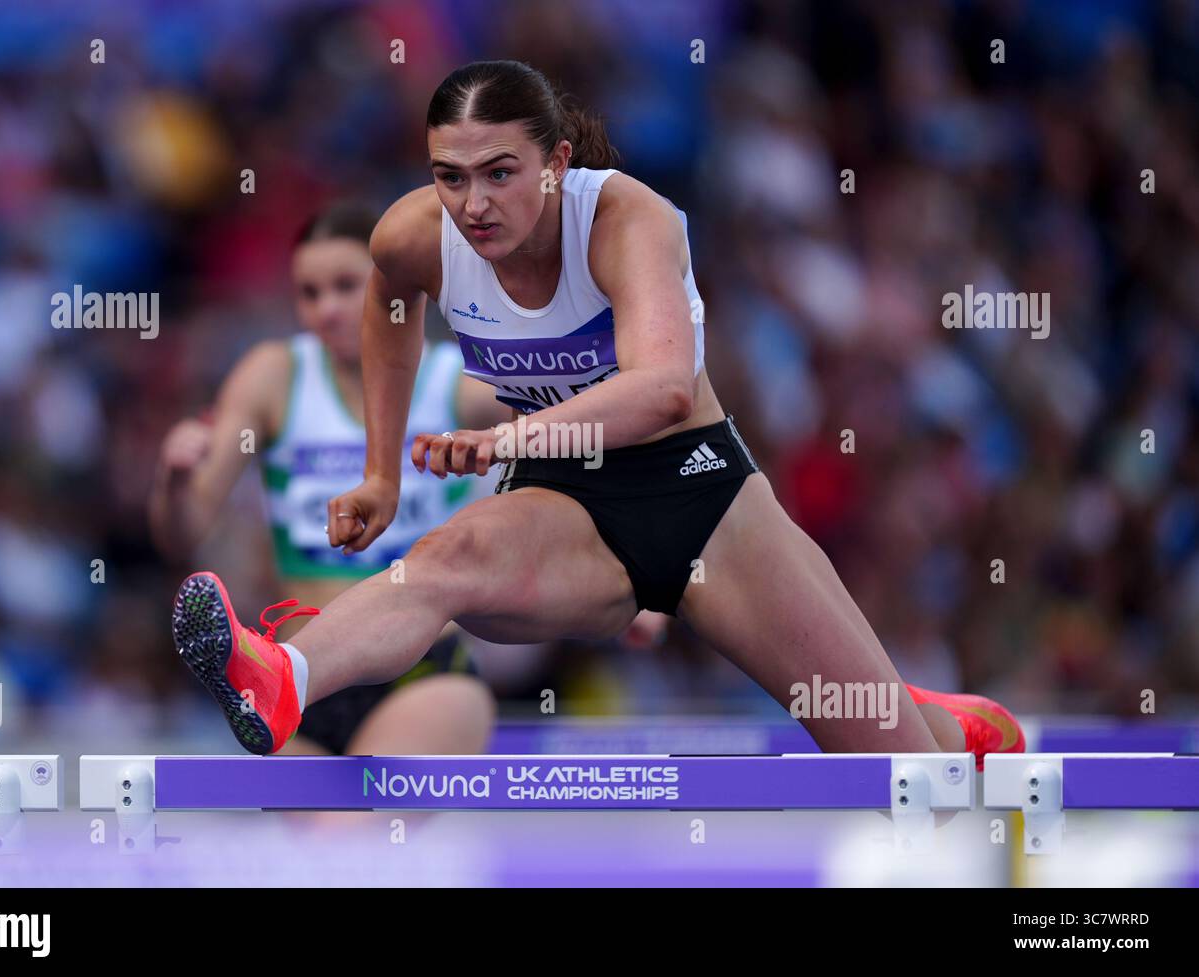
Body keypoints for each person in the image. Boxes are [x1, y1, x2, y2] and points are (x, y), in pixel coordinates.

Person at [170, 60, 1025, 769]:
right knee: (447, 558)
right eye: (451, 177)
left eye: (501, 173)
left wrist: (508, 436)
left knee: (899, 769)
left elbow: (661, 388)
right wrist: (382, 474)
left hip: (700, 499)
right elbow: (388, 308)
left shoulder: (625, 219)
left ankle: (943, 727)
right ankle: (279, 673)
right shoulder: (411, 236)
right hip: (565, 504)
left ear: (557, 163)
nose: (474, 206)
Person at [151, 202, 504, 758]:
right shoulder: (272, 376)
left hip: (423, 674)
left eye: (346, 286)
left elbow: (580, 427)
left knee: (357, 837)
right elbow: (181, 534)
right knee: (318, 845)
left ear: (391, 287)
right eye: (309, 293)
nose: (327, 309)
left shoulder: (451, 382)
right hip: (299, 685)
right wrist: (174, 478)